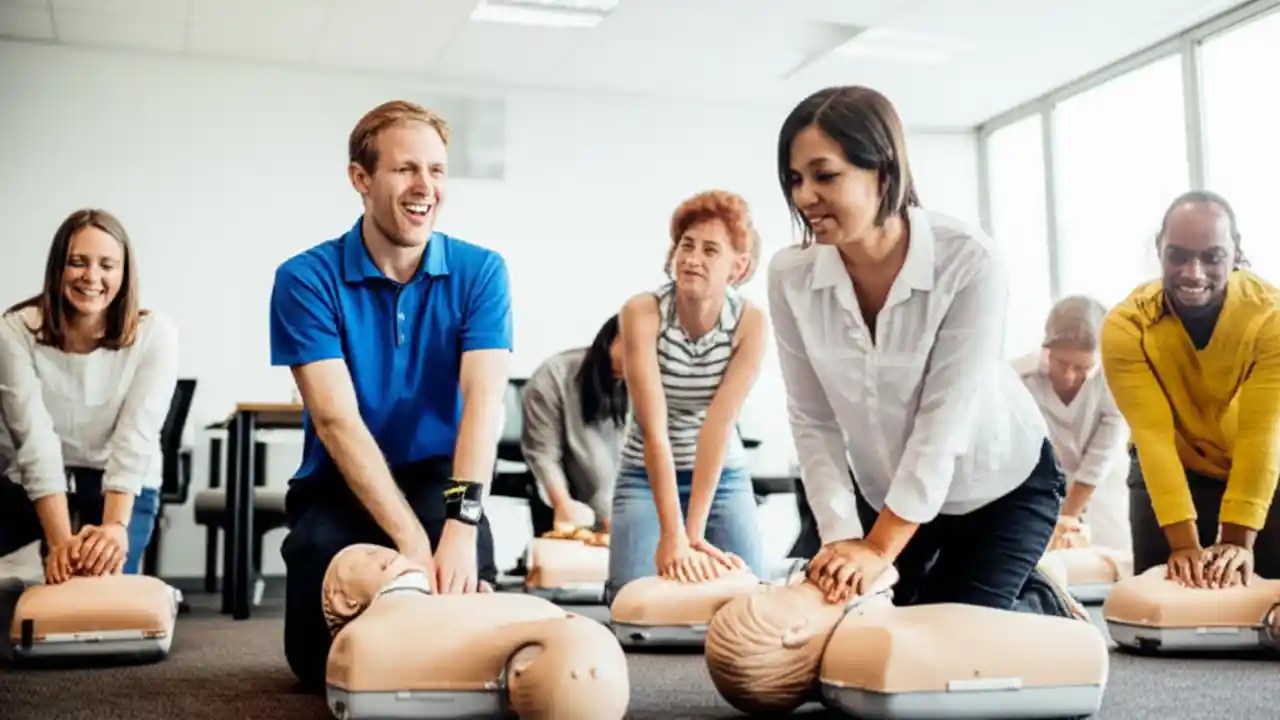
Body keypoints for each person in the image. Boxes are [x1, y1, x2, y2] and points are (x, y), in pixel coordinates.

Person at [768, 85, 1082, 619]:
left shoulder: (967, 260)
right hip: (886, 488)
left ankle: (1037, 600)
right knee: (844, 632)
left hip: (998, 488)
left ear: (883, 172)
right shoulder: (790, 275)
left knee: (936, 646)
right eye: (795, 179)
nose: (803, 197)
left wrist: (878, 549)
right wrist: (842, 542)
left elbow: (945, 422)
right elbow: (812, 419)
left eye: (825, 176)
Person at [269, 99, 512, 690]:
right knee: (312, 656)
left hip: (439, 480)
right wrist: (410, 542)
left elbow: (483, 406)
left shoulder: (482, 272)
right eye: (406, 169)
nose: (424, 185)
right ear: (361, 178)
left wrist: (458, 528)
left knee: (463, 592)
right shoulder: (305, 278)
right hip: (337, 483)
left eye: (436, 170)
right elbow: (335, 421)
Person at [1101, 190, 1280, 588]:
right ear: (1159, 250)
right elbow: (1153, 437)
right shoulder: (1126, 326)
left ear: (1236, 253)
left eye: (1212, 257)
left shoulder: (1271, 318)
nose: (1193, 273)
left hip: (1260, 468)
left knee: (1260, 598)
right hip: (1171, 466)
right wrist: (1182, 545)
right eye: (1178, 255)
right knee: (1162, 597)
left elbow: (1260, 433)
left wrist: (1237, 542)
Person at [0, 208, 178, 583]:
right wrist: (61, 541)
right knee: (56, 576)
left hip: (121, 481)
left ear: (124, 273)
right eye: (77, 262)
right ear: (57, 269)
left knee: (100, 585)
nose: (91, 277)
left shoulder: (156, 334)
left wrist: (114, 527)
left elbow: (135, 439)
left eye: (107, 265)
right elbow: (33, 441)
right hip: (31, 478)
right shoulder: (15, 331)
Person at [606, 189, 767, 601]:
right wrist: (671, 533)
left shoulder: (750, 323)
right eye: (686, 245)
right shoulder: (642, 312)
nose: (693, 257)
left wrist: (691, 534)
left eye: (711, 250)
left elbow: (718, 426)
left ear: (738, 266)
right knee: (632, 600)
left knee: (755, 597)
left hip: (721, 475)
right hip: (645, 473)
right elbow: (653, 428)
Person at [1012, 295, 1131, 555]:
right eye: (1061, 363)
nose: (1068, 375)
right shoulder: (1017, 379)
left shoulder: (1116, 382)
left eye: (1081, 367)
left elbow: (1100, 458)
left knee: (1109, 565)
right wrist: (1050, 523)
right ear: (1047, 348)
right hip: (1036, 493)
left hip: (1102, 495)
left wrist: (1067, 518)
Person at [520, 315, 627, 534]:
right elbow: (544, 455)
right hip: (576, 511)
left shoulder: (664, 381)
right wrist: (563, 504)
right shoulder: (553, 378)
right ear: (611, 340)